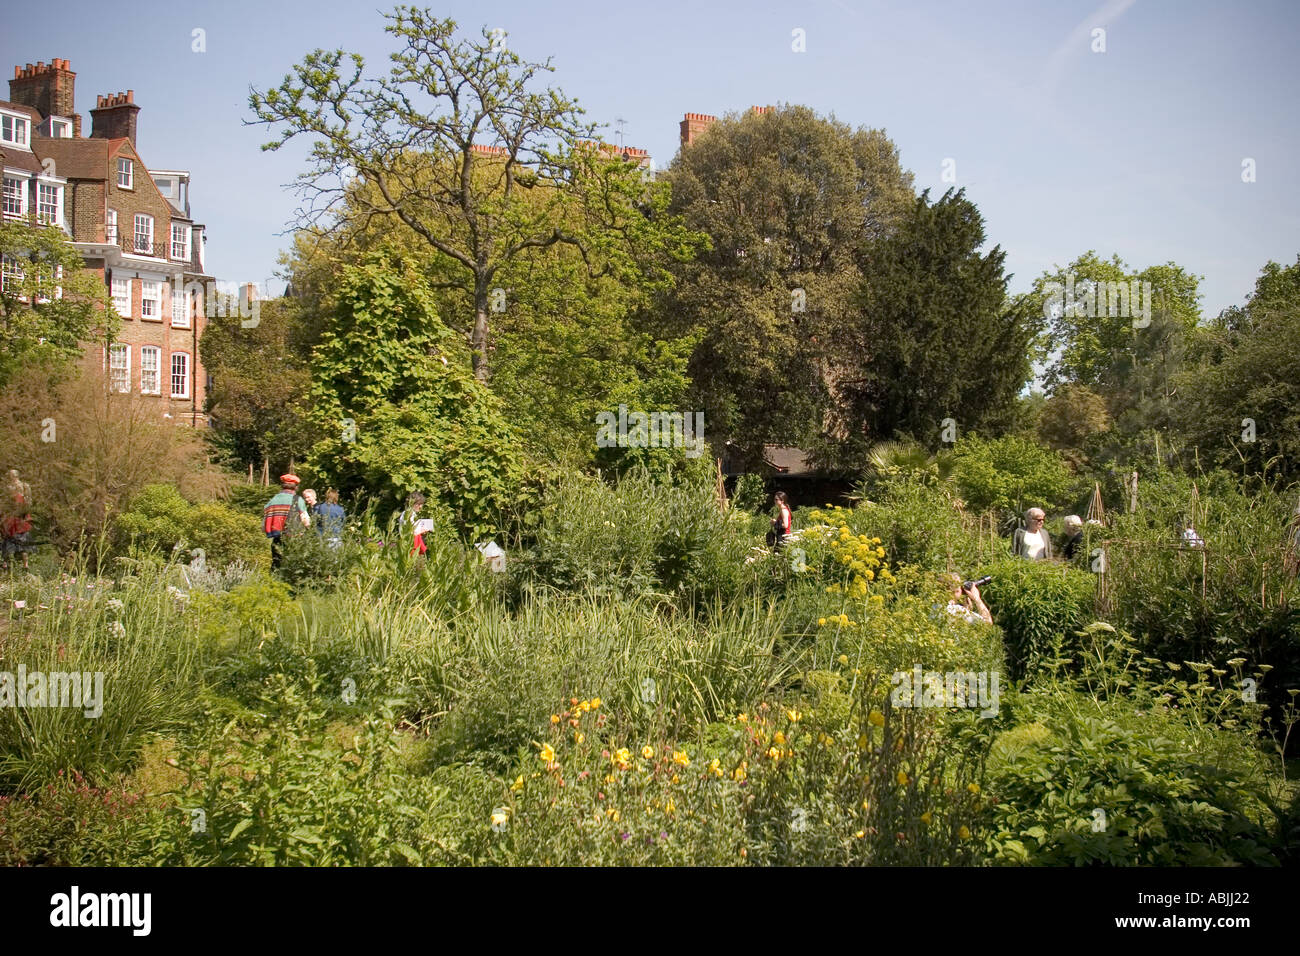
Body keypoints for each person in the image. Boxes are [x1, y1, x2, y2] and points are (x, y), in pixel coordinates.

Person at [262, 473, 309, 569]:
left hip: (277, 537)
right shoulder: (297, 499)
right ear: (295, 487)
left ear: (283, 486)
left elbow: (264, 523)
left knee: (276, 563)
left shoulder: (273, 500)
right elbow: (305, 521)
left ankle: (273, 582)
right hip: (294, 536)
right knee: (293, 564)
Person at [1, 469, 34, 571]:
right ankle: (19, 564)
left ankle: (13, 564)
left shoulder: (13, 487)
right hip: (17, 516)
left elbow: (28, 502)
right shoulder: (23, 486)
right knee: (15, 538)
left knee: (13, 537)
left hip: (17, 516)